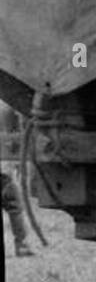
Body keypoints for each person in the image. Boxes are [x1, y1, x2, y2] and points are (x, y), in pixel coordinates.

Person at [1, 101, 34, 256]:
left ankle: (22, 244)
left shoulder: (7, 107)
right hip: (4, 168)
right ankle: (22, 244)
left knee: (15, 205)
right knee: (15, 206)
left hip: (5, 167)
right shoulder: (7, 105)